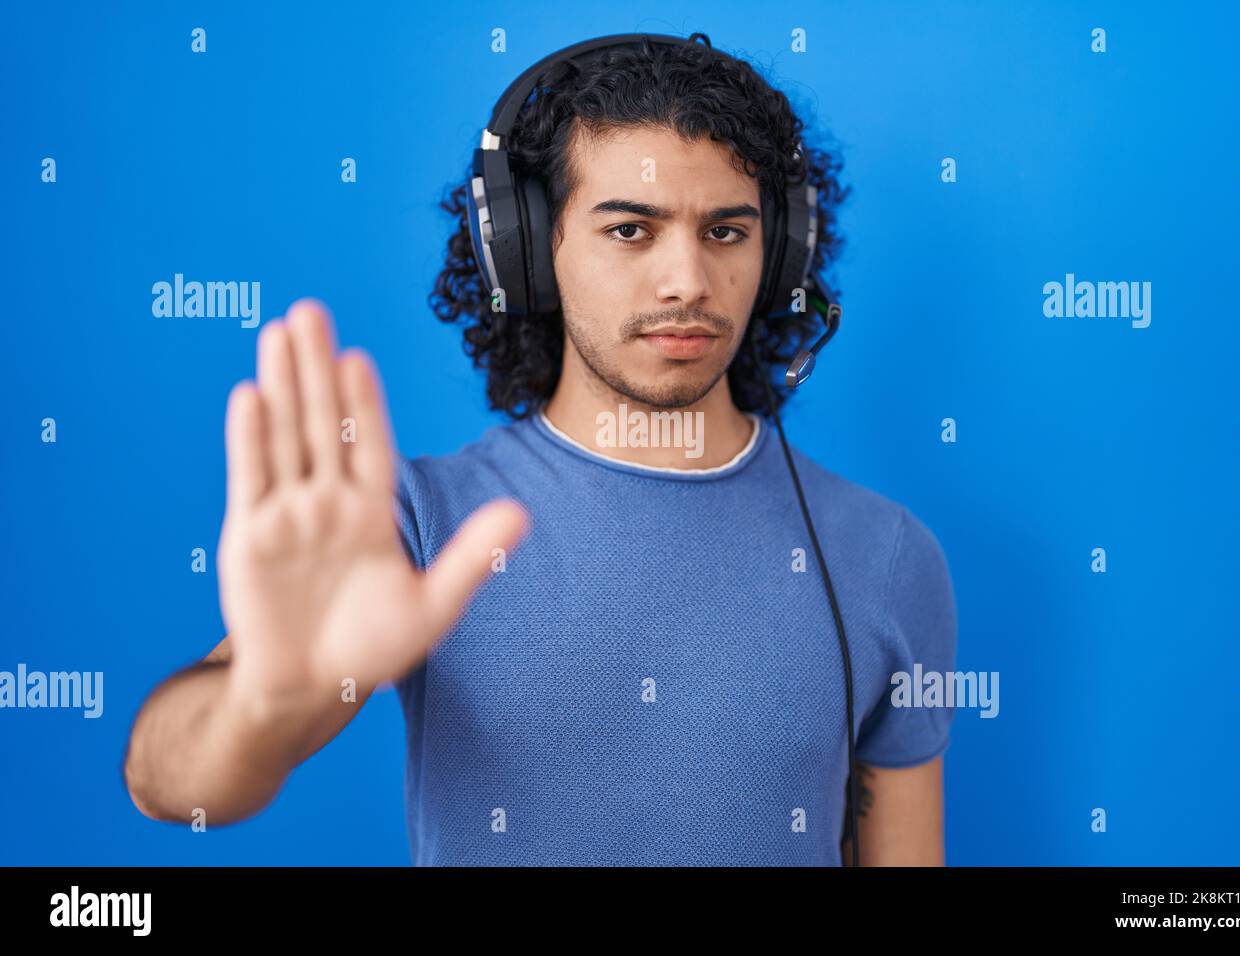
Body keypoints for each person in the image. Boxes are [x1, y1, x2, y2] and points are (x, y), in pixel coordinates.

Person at [124, 33, 957, 866]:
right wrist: (265, 703)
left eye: (726, 232)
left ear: (780, 256)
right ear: (524, 252)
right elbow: (171, 787)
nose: (688, 282)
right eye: (630, 230)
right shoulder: (415, 525)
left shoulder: (886, 554)